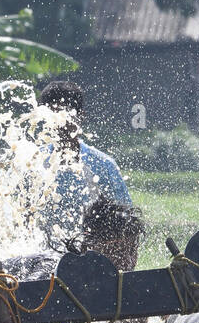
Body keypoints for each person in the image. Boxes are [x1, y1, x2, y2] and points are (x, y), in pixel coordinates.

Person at [37, 80, 133, 240]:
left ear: (80, 116)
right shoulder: (33, 164)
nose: (59, 124)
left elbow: (127, 223)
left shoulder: (103, 166)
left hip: (89, 258)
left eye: (64, 115)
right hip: (41, 255)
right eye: (52, 116)